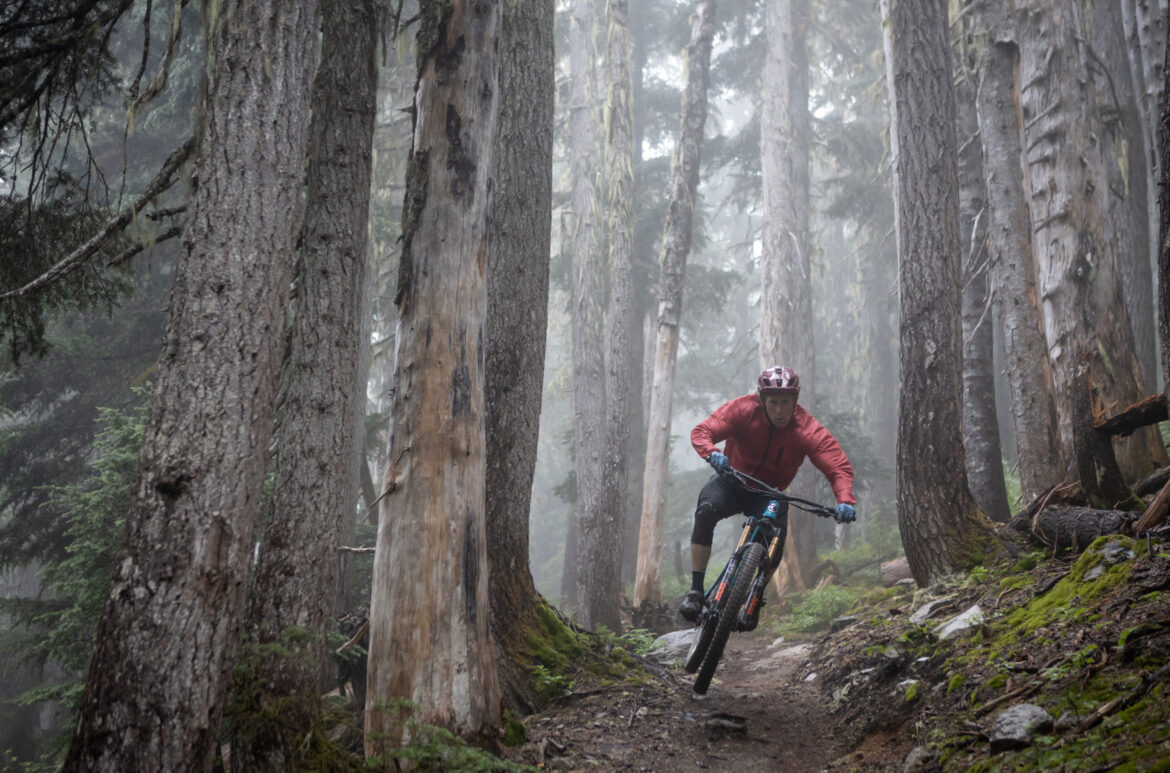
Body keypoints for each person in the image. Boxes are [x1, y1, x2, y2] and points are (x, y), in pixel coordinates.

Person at [678, 365, 858, 624]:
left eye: (786, 403)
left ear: (794, 402)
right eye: (773, 402)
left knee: (774, 539)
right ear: (762, 400)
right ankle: (695, 591)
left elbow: (837, 466)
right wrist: (712, 453)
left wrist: (845, 501)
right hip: (732, 481)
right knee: (706, 511)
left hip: (770, 493)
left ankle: (754, 599)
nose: (779, 410)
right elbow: (703, 431)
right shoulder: (743, 409)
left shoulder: (806, 428)